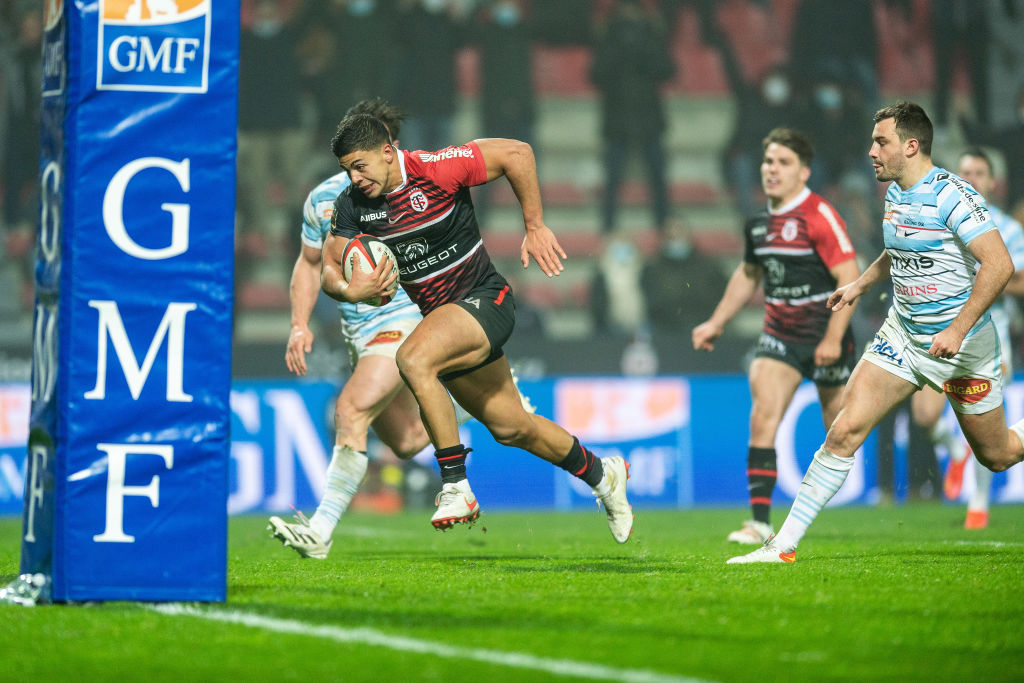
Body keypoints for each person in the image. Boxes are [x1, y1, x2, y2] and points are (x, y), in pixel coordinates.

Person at [729, 102, 1024, 565]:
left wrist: (957, 328)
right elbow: (896, 253)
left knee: (998, 454)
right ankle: (780, 546)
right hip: (903, 338)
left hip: (962, 349)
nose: (871, 151)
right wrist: (859, 285)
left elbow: (1001, 265)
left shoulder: (953, 195)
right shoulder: (894, 195)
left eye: (881, 141)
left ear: (911, 146)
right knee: (844, 429)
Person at [320, 114, 633, 542]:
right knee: (512, 427)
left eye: (360, 165)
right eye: (346, 170)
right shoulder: (353, 205)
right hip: (446, 326)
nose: (354, 178)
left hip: (486, 300)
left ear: (387, 152)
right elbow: (329, 272)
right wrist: (353, 292)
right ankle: (604, 475)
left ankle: (455, 485)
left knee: (412, 358)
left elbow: (517, 153)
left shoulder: (437, 168)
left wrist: (535, 226)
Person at [267, 98, 429, 559]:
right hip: (359, 332)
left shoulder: (414, 189)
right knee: (406, 440)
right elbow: (308, 263)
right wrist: (299, 325)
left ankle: (319, 531)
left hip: (403, 320)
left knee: (351, 410)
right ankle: (478, 398)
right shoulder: (322, 199)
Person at [692, 128, 860, 546]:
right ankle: (760, 523)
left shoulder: (820, 215)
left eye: (783, 162)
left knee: (839, 432)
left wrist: (834, 338)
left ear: (803, 172)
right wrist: (717, 322)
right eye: (768, 161)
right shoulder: (758, 223)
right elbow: (749, 274)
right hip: (780, 336)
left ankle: (814, 515)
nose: (772, 169)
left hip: (826, 334)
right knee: (762, 415)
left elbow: (850, 277)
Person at [937, 147, 1024, 529]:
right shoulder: (940, 221)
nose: (971, 177)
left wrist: (989, 283)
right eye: (965, 170)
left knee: (983, 419)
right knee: (925, 414)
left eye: (979, 172)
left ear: (992, 181)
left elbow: (1019, 279)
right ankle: (954, 449)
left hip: (991, 334)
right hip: (941, 329)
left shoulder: (1008, 229)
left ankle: (979, 503)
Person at [589, 0, 675, 234]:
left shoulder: (652, 35)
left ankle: (663, 224)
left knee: (657, 177)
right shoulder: (608, 38)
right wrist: (619, 48)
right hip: (618, 119)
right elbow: (596, 74)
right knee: (613, 178)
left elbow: (667, 69)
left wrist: (644, 45)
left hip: (648, 119)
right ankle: (608, 227)